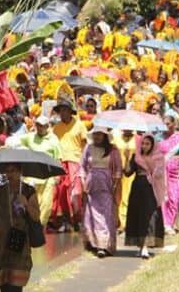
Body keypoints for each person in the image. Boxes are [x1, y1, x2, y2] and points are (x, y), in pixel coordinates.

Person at [0, 163, 40, 292]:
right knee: (3, 280)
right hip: (1, 240)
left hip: (19, 239)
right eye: (7, 171)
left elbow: (36, 217)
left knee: (15, 283)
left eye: (13, 171)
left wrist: (26, 204)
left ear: (20, 172)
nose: (10, 174)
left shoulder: (28, 191)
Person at [80, 126, 122, 258]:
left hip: (107, 186)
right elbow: (82, 166)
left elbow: (118, 169)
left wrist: (115, 184)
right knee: (92, 214)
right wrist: (83, 181)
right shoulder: (88, 148)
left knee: (106, 214)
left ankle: (105, 244)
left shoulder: (113, 150)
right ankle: (96, 244)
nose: (97, 137)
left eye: (100, 134)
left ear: (105, 136)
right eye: (95, 134)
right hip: (91, 186)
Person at [124, 134, 165, 259]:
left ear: (152, 145)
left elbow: (160, 174)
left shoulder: (157, 158)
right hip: (137, 189)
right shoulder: (136, 157)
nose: (144, 146)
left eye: (147, 144)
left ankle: (146, 247)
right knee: (138, 216)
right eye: (143, 143)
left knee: (149, 217)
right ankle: (140, 246)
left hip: (151, 190)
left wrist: (152, 174)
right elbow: (127, 173)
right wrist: (126, 158)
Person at [18, 116, 61, 228]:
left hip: (47, 178)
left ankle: (40, 230)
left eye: (43, 126)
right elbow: (16, 143)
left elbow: (58, 158)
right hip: (31, 178)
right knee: (31, 205)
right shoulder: (29, 137)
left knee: (45, 207)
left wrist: (57, 176)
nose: (40, 128)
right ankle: (32, 228)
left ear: (47, 127)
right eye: (38, 125)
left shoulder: (53, 139)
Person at [52, 98, 87, 231]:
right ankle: (65, 221)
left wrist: (85, 165)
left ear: (70, 112)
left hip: (76, 162)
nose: (62, 113)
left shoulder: (79, 125)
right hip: (60, 162)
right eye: (60, 110)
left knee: (75, 193)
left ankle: (77, 220)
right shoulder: (56, 128)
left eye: (65, 110)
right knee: (61, 193)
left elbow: (85, 145)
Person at [159, 116, 179, 234]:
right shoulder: (159, 138)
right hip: (162, 171)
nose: (166, 126)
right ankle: (165, 224)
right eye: (164, 124)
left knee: (175, 197)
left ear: (174, 124)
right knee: (163, 198)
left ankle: (171, 222)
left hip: (176, 170)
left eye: (168, 124)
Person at [113, 129, 136, 232]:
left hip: (131, 171)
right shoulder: (116, 139)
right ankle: (119, 221)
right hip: (117, 171)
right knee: (118, 196)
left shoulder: (137, 139)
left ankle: (126, 222)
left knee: (128, 196)